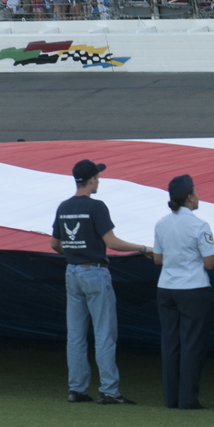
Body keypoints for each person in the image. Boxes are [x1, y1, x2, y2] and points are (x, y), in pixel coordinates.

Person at [53, 159, 145, 403]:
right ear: (91, 179)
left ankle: (77, 389)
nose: (99, 181)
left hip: (72, 272)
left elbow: (55, 244)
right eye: (98, 177)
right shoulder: (97, 207)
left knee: (76, 335)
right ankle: (109, 391)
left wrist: (74, 250)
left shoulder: (63, 207)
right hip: (94, 272)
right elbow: (112, 242)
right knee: (104, 334)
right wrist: (143, 247)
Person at [151, 174, 214, 409]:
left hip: (166, 287)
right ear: (189, 197)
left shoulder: (161, 223)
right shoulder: (199, 225)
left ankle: (172, 398)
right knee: (192, 344)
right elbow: (210, 263)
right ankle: (188, 399)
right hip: (192, 287)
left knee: (170, 343)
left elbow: (158, 259)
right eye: (196, 192)